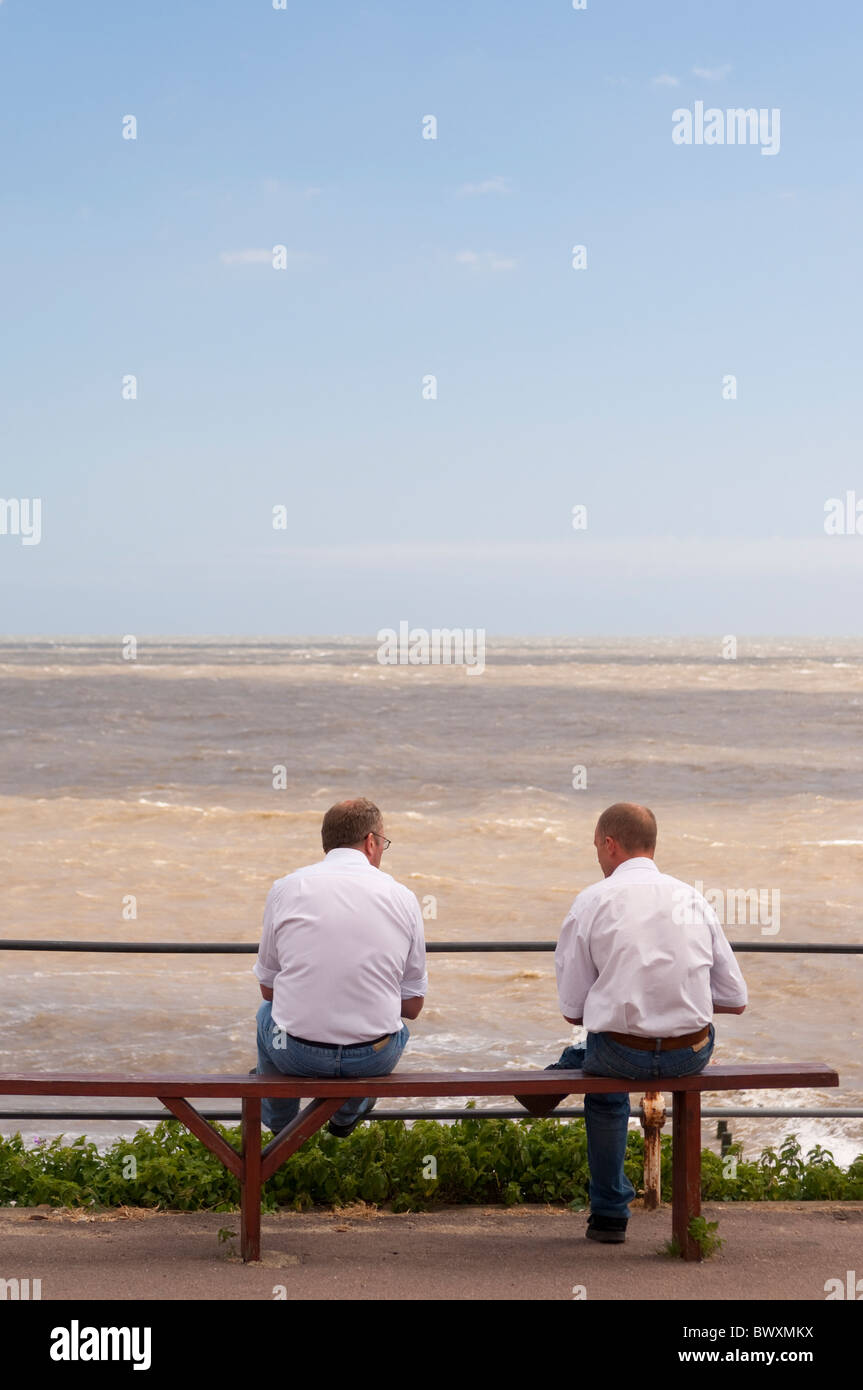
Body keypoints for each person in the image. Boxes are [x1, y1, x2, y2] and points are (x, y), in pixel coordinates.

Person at [516, 802, 747, 1244]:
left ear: (610, 844)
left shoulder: (591, 901)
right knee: (610, 1055)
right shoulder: (693, 898)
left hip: (621, 1053)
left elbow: (573, 1010)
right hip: (689, 1054)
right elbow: (735, 1000)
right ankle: (687, 1221)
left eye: (596, 848)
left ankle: (609, 1216)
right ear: (652, 845)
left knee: (601, 1078)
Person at [253, 798, 427, 1137]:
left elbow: (268, 988)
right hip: (373, 1057)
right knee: (397, 1028)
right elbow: (414, 1005)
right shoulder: (403, 897)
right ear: (371, 842)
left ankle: (282, 1131)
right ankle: (345, 1118)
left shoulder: (285, 888)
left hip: (296, 1054)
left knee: (265, 1016)